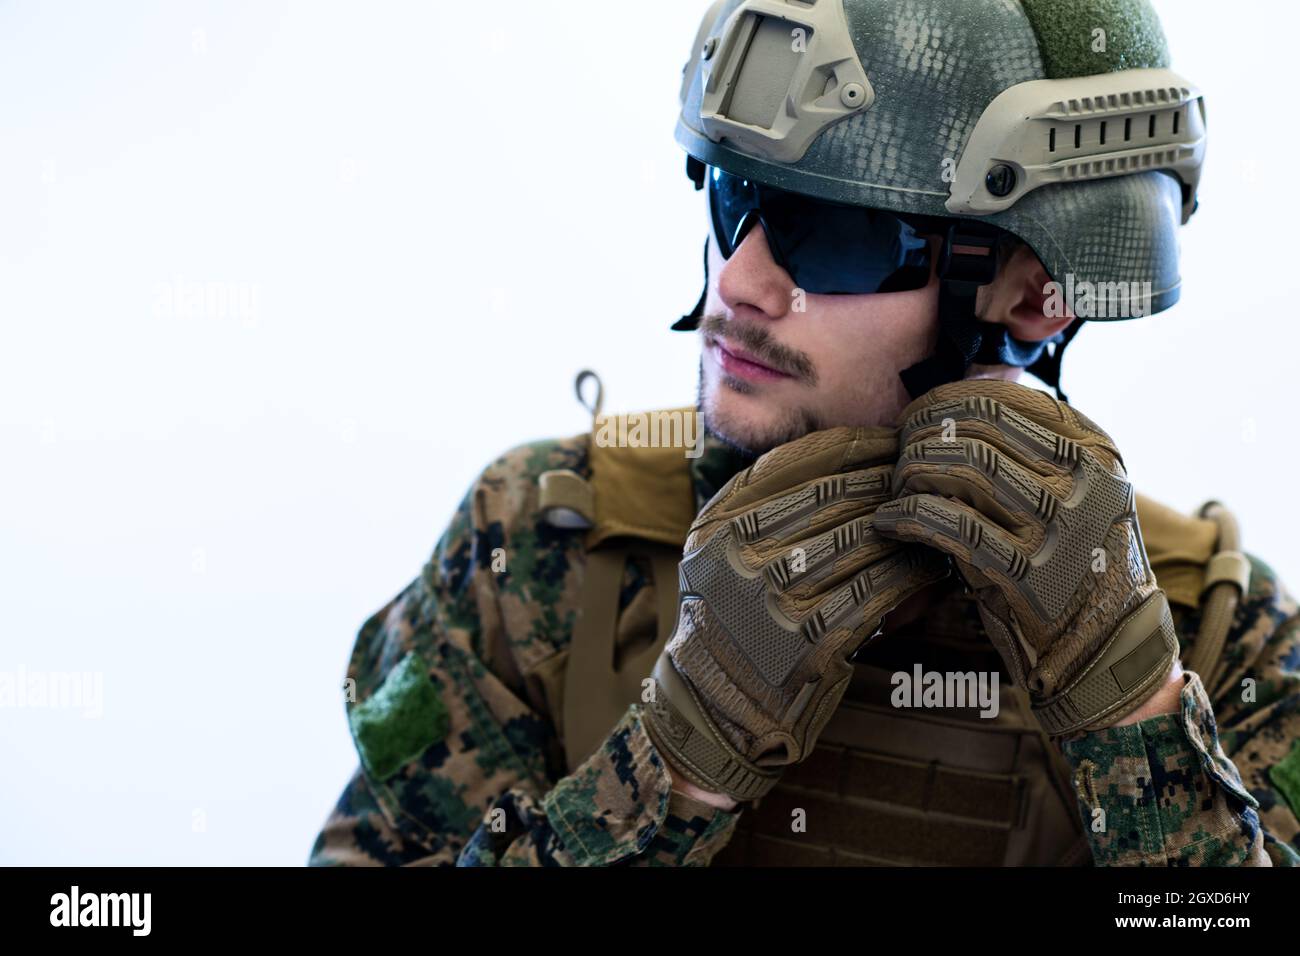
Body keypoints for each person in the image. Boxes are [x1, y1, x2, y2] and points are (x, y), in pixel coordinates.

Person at [309, 0, 1300, 866]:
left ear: (1035, 294)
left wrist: (1127, 707)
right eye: (732, 196)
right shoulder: (541, 548)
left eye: (834, 233)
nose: (739, 281)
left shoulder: (1210, 631)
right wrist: (671, 764)